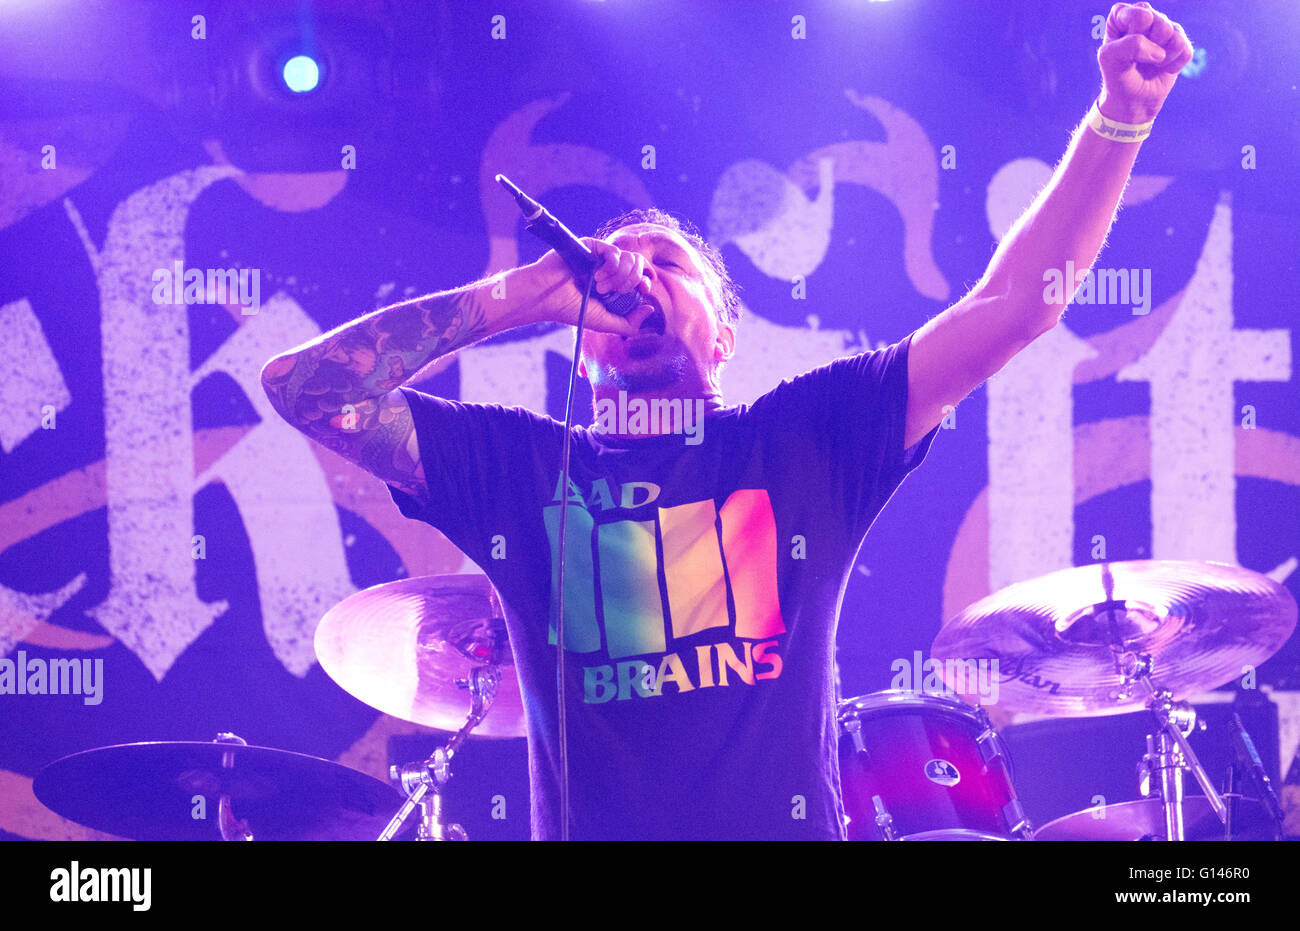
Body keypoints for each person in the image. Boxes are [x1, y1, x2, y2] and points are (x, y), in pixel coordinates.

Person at [261, 3, 1193, 839]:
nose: (632, 274)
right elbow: (307, 391)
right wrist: (525, 292)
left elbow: (1014, 308)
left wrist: (1120, 120)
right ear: (579, 339)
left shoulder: (805, 438)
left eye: (667, 263)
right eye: (613, 264)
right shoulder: (515, 467)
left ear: (724, 334)